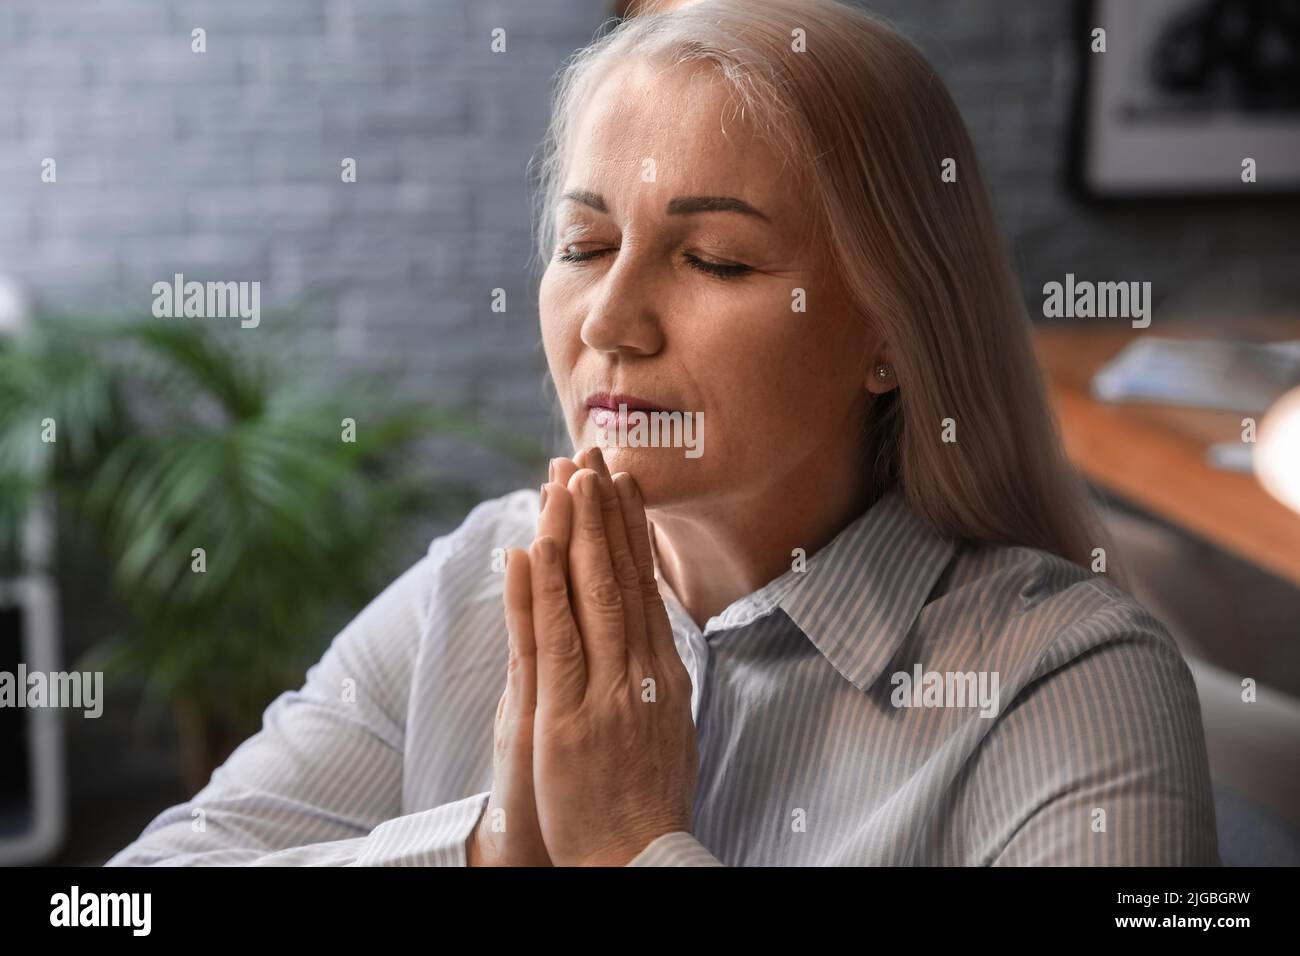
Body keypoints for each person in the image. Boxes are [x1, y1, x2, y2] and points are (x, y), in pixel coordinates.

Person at [107, 0, 1219, 867]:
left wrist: (633, 840)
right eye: (585, 246)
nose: (608, 320)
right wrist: (492, 845)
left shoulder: (1067, 678)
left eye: (715, 261)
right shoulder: (473, 587)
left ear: (891, 331)